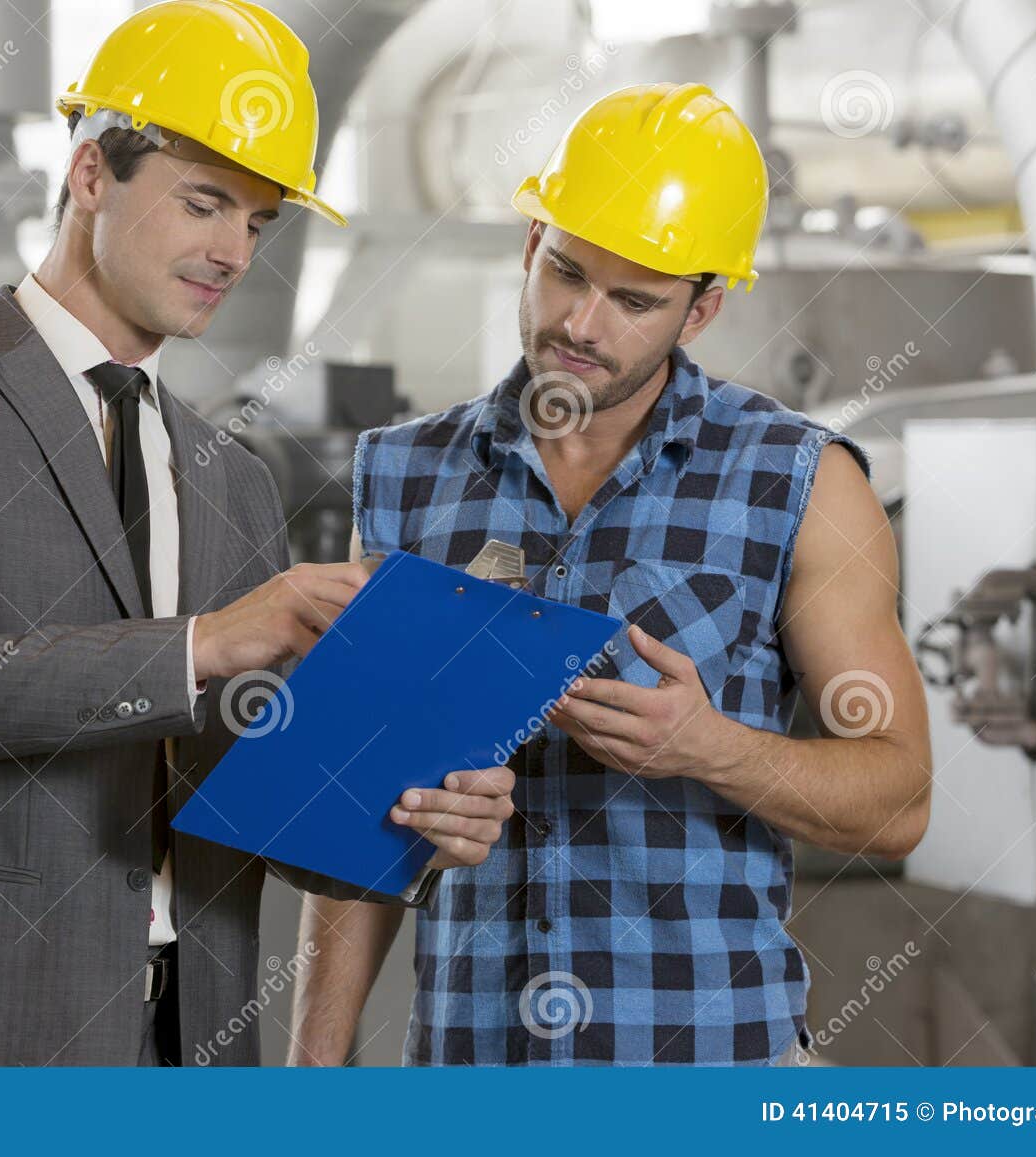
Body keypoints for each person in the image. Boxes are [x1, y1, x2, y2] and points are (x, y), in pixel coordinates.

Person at [0, 0, 513, 1067]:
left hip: (191, 1038)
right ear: (90, 173)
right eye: (204, 203)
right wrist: (205, 642)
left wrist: (415, 817)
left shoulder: (231, 480)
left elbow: (249, 802)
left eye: (257, 223)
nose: (232, 251)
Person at [289, 82, 932, 1067]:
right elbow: (354, 815)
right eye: (566, 272)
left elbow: (898, 800)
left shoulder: (797, 481)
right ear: (531, 241)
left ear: (701, 308)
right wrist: (310, 1080)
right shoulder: (406, 475)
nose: (582, 323)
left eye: (634, 301)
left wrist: (712, 748)